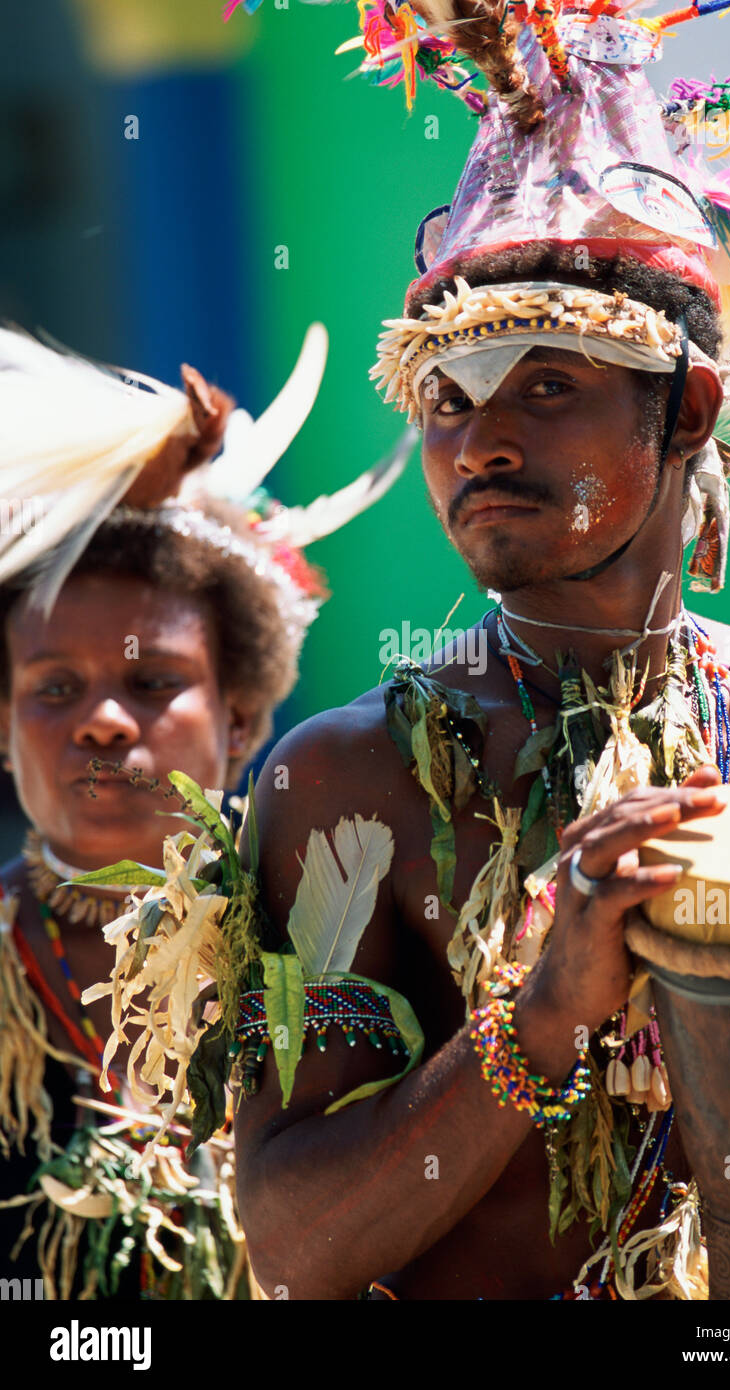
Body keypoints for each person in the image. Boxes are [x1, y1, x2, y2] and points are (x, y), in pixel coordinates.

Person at [226, 1, 730, 1300]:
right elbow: (291, 1252)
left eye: (543, 382)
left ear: (681, 405)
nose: (479, 443)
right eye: (445, 399)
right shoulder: (345, 784)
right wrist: (540, 1017)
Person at [0, 328, 410, 1298]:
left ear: (240, 718)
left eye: (151, 681)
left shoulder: (346, 944)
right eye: (54, 688)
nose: (103, 720)